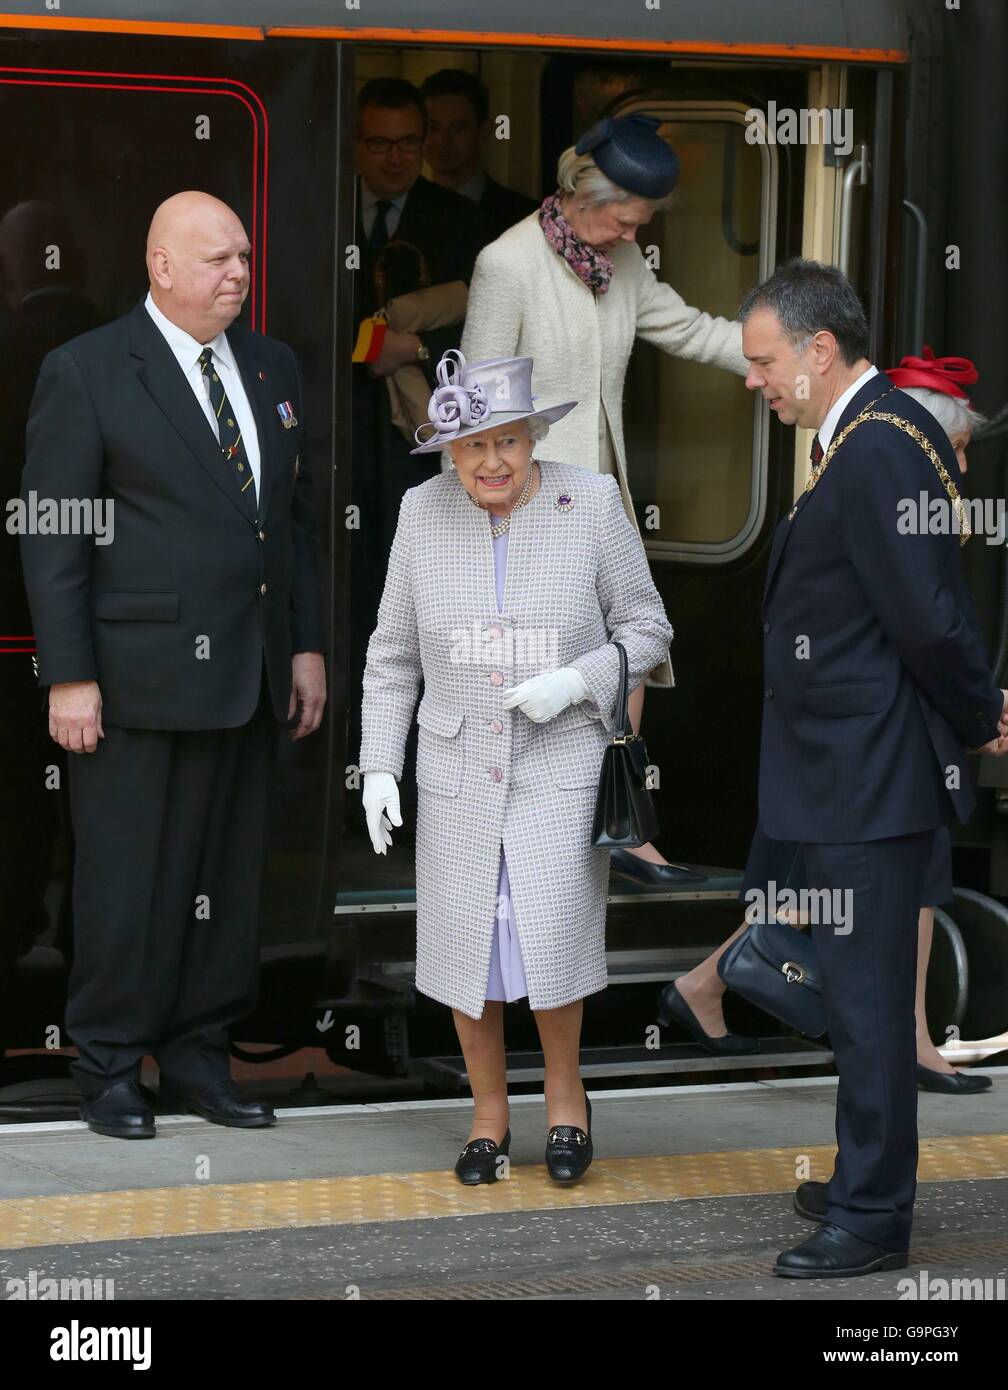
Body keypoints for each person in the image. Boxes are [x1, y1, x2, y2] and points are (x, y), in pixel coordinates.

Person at [18, 191, 326, 1139]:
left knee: (223, 881)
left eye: (242, 257)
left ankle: (200, 1055)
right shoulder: (90, 369)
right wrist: (68, 675)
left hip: (249, 673)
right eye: (217, 259)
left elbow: (292, 525)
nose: (238, 273)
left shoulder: (273, 366)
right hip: (133, 681)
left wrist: (307, 647)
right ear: (160, 265)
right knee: (126, 881)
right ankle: (108, 1064)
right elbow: (51, 534)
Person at [734, 258, 1007, 1279]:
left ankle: (873, 1215)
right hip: (843, 771)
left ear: (819, 350)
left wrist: (979, 717)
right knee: (855, 993)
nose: (754, 381)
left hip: (868, 775)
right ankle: (862, 1174)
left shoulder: (879, 448)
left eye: (764, 361)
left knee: (869, 999)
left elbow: (928, 617)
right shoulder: (864, 438)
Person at [358, 349, 672, 1185]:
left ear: (534, 437)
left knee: (548, 941)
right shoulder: (420, 514)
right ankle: (488, 1116)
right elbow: (391, 657)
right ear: (447, 453)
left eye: (508, 442)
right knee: (473, 948)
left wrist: (579, 678)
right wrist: (379, 766)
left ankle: (566, 1102)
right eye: (472, 448)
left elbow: (648, 630)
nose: (492, 462)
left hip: (558, 768)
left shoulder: (592, 502)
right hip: (459, 771)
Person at [662, 347, 995, 1096]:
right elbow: (928, 626)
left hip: (869, 744)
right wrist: (980, 713)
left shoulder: (866, 459)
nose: (962, 471)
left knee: (848, 891)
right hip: (882, 744)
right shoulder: (886, 468)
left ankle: (885, 1061)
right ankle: (892, 1058)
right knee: (857, 894)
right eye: (959, 453)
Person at [461, 112, 748, 887]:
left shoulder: (620, 266)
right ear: (579, 194)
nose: (630, 234)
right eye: (623, 219)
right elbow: (480, 409)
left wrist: (772, 354)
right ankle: (539, 843)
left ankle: (619, 827)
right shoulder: (507, 263)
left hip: (603, 501)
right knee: (552, 673)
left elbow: (687, 329)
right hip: (527, 505)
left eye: (640, 223)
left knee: (631, 656)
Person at [349, 78, 486, 810]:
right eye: (381, 141)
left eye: (411, 140)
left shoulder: (457, 220)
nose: (399, 156)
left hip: (423, 447)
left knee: (416, 617)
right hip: (341, 440)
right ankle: (349, 784)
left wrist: (414, 344)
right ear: (356, 144)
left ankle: (415, 787)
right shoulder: (324, 210)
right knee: (347, 611)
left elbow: (490, 327)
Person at [419, 68, 537, 244]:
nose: (443, 142)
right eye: (433, 128)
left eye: (458, 128)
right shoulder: (407, 209)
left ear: (483, 132)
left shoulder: (525, 218)